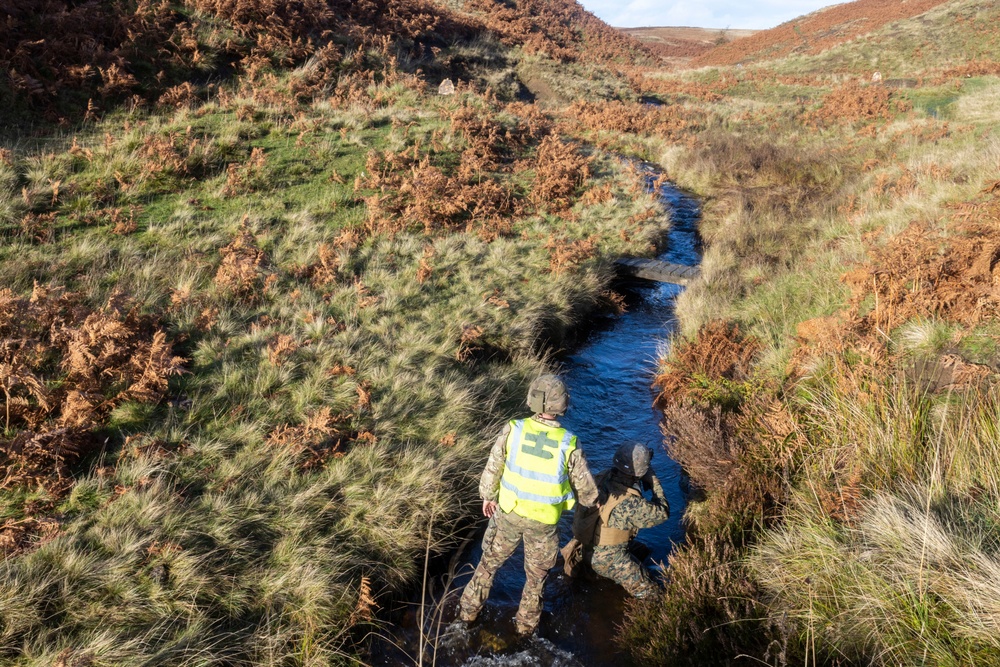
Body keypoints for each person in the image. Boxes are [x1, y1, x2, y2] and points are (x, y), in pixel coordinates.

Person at [458, 374, 598, 636]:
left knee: (487, 566)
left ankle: (467, 614)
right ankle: (525, 629)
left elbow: (494, 465)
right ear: (562, 404)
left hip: (508, 514)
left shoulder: (514, 429)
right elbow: (588, 493)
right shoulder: (569, 442)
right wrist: (590, 507)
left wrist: (488, 496)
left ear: (532, 399)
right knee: (536, 578)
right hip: (544, 523)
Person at [572, 442, 669, 598]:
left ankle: (597, 577)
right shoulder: (630, 503)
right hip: (607, 559)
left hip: (585, 547)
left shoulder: (601, 477)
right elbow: (662, 513)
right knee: (654, 594)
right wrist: (653, 481)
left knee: (642, 550)